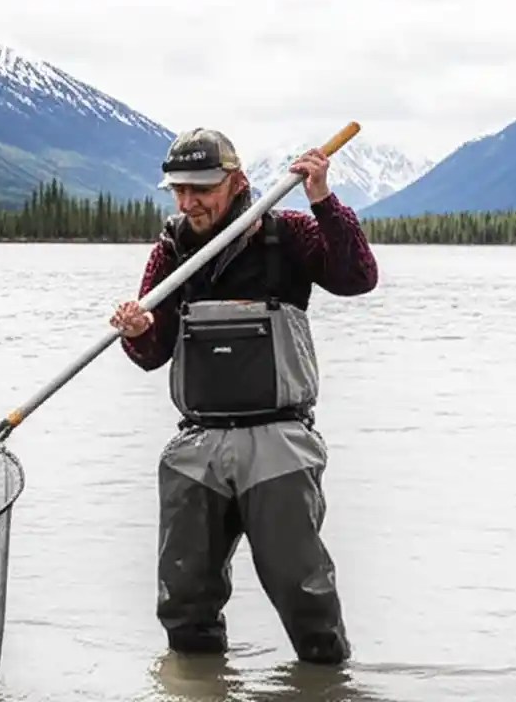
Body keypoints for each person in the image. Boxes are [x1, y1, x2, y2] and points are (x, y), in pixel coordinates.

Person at [109, 127, 378, 665]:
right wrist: (136, 331)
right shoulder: (170, 253)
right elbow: (154, 352)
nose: (189, 202)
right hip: (197, 445)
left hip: (278, 441)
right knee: (184, 604)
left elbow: (358, 277)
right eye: (179, 191)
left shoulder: (289, 234)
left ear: (237, 183)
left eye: (201, 190)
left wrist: (323, 200)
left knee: (306, 600)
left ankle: (327, 684)